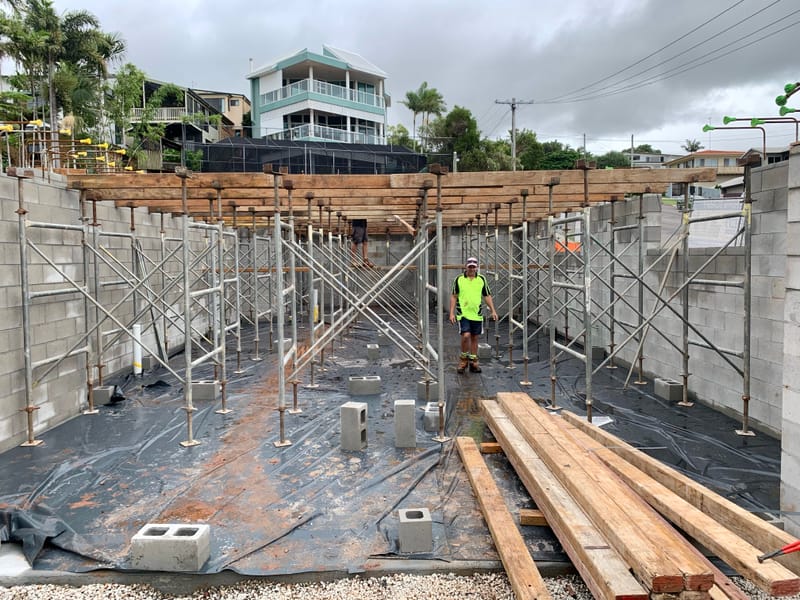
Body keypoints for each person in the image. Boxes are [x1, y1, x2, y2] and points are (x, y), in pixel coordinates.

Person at [449, 257, 498, 374]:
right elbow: (454, 296)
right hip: (463, 314)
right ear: (466, 266)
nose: (471, 269)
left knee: (475, 337)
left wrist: (493, 310)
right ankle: (463, 360)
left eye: (473, 267)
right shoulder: (459, 279)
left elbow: (487, 295)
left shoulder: (481, 279)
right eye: (469, 266)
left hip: (477, 314)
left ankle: (474, 361)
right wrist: (451, 313)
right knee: (466, 335)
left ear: (477, 267)